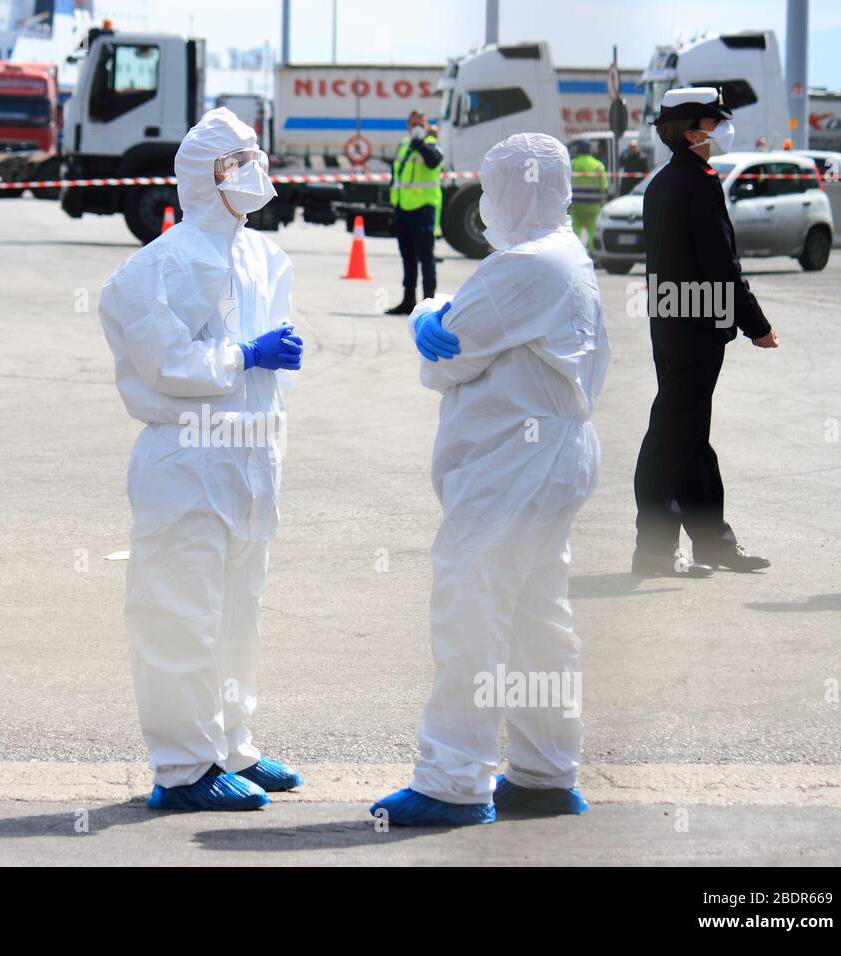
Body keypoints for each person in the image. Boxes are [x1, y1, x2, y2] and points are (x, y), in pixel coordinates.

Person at [370, 133, 611, 827]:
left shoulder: (525, 265)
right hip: (550, 458)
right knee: (537, 618)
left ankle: (453, 780)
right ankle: (543, 771)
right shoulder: (566, 256)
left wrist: (423, 318)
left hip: (515, 464)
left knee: (471, 609)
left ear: (506, 190)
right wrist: (438, 317)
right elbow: (467, 326)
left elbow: (450, 358)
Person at [98, 108, 306, 811]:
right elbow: (163, 364)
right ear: (206, 176)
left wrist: (268, 359)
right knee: (179, 613)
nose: (256, 169)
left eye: (256, 155)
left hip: (247, 465)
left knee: (238, 614)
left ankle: (231, 745)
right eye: (239, 159)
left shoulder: (260, 255)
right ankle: (184, 768)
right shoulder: (159, 265)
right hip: (186, 466)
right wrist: (244, 355)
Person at [632, 88, 778, 577]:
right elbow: (721, 264)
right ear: (692, 132)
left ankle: (712, 542)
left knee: (690, 437)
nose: (722, 131)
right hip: (695, 326)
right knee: (672, 439)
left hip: (673, 322)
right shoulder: (696, 184)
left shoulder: (667, 182)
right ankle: (653, 550)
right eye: (715, 123)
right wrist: (755, 323)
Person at [385, 110, 444, 315]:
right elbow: (397, 174)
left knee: (426, 257)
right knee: (407, 257)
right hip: (402, 208)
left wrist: (420, 143)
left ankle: (428, 303)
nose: (416, 128)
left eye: (421, 124)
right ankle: (408, 299)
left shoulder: (432, 144)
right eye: (413, 124)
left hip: (423, 209)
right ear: (407, 126)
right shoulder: (404, 144)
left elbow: (433, 161)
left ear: (427, 126)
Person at [569, 139, 607, 251]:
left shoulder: (572, 164)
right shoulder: (598, 165)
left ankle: (574, 252)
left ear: (578, 151)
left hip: (576, 204)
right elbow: (604, 186)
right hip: (593, 205)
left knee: (575, 229)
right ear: (590, 150)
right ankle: (593, 253)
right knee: (592, 230)